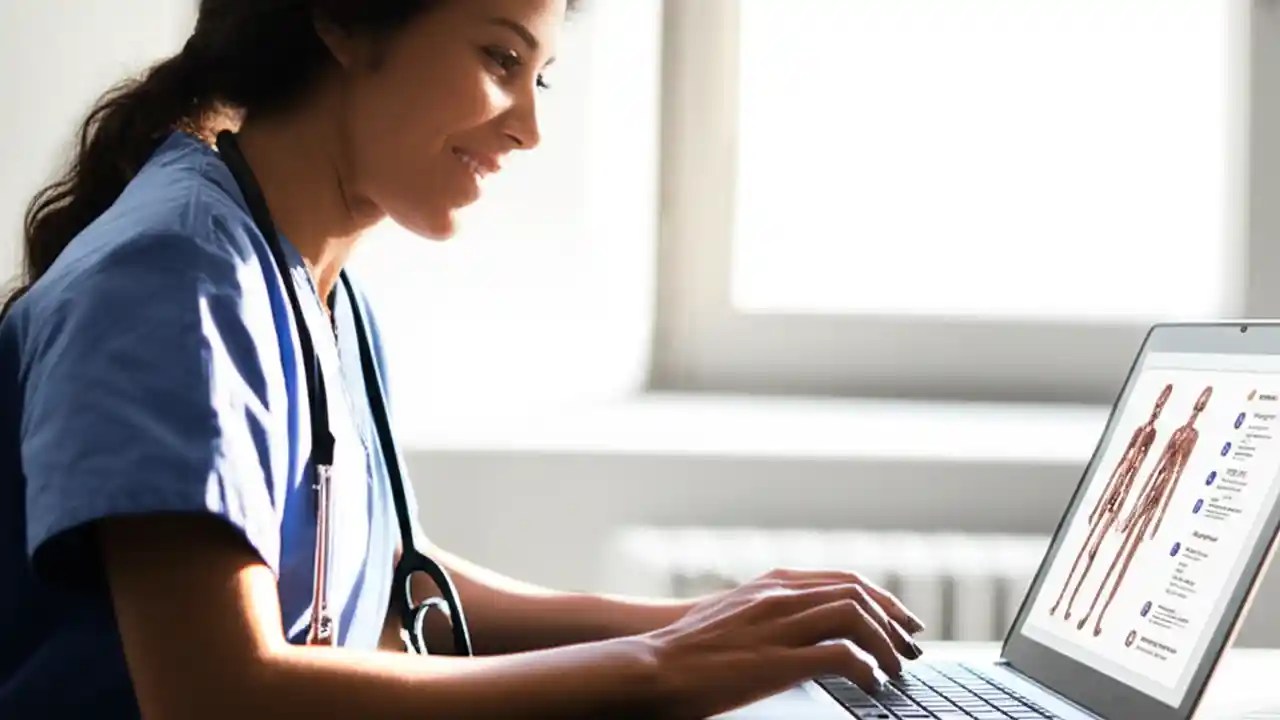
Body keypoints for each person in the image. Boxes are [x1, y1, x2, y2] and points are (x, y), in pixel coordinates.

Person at [0, 1, 926, 717]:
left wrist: (701, 624)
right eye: (500, 59)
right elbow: (215, 696)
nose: (527, 126)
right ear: (344, 21)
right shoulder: (174, 278)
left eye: (541, 78)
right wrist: (658, 669)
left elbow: (390, 580)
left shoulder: (313, 283)